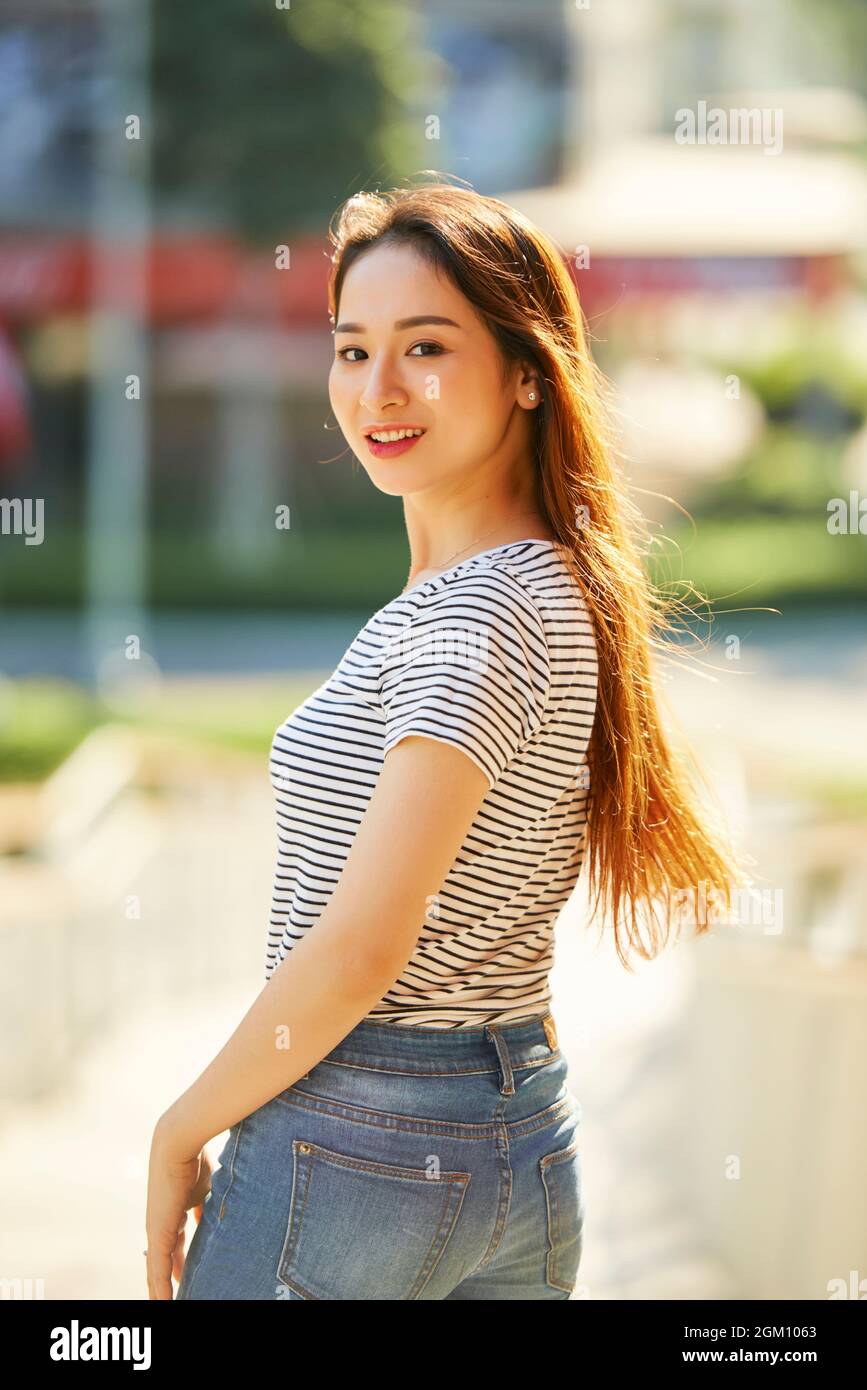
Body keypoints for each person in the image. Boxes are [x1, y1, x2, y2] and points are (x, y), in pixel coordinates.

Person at [146, 178, 745, 1300]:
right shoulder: (553, 586)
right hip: (523, 1132)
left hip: (358, 1139)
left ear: (528, 371)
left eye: (426, 346)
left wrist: (182, 1125)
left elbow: (367, 945)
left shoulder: (474, 614)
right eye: (351, 348)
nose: (379, 389)